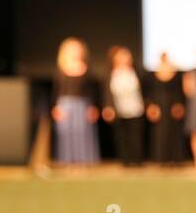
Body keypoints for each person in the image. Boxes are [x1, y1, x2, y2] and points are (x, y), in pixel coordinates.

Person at [51, 37, 100, 165]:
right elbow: (56, 91)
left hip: (83, 105)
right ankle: (66, 161)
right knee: (66, 133)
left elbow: (91, 91)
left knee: (82, 132)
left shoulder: (86, 69)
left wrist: (92, 107)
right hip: (65, 105)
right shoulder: (60, 69)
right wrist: (56, 107)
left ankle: (84, 160)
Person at [101, 46, 145, 167]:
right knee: (122, 137)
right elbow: (106, 92)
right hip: (119, 109)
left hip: (135, 108)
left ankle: (137, 161)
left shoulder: (136, 71)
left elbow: (144, 90)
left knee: (135, 136)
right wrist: (108, 107)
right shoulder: (110, 73)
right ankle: (125, 161)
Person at [145, 51, 186, 164]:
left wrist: (179, 105)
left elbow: (180, 92)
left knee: (174, 132)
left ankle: (176, 159)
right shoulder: (153, 74)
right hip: (159, 106)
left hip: (172, 106)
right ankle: (160, 159)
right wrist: (150, 106)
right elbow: (149, 93)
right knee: (160, 133)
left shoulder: (175, 73)